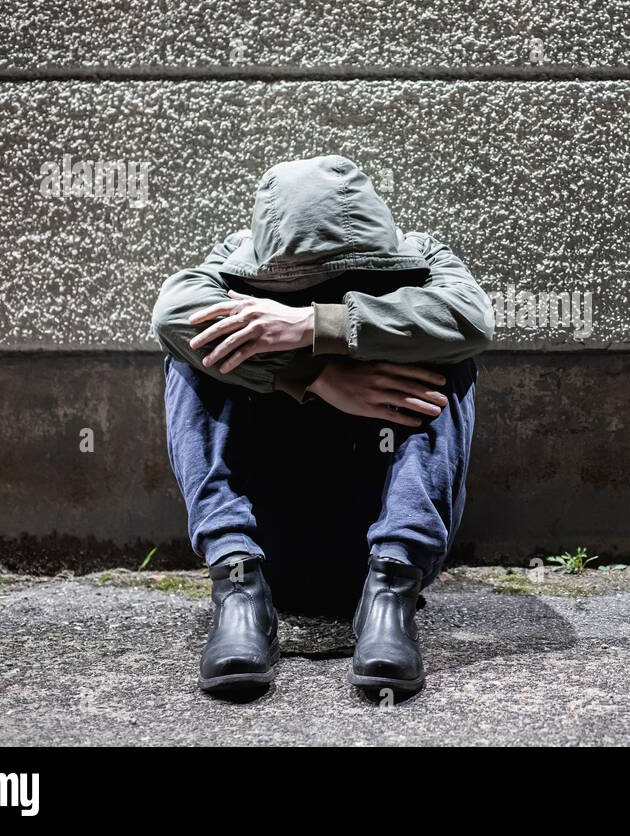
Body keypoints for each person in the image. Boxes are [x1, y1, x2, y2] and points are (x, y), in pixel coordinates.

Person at [150, 155, 493, 698]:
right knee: (198, 351)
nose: (327, 290)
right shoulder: (231, 258)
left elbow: (471, 319)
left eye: (348, 278)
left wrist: (313, 323)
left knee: (449, 357)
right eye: (304, 285)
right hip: (265, 548)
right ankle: (237, 593)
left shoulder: (422, 254)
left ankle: (390, 596)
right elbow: (171, 315)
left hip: (380, 551)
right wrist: (311, 374)